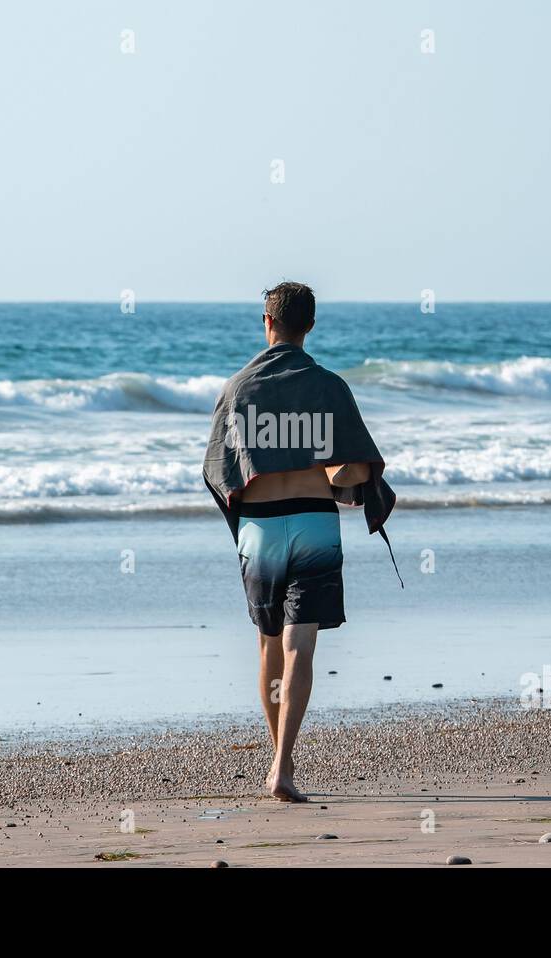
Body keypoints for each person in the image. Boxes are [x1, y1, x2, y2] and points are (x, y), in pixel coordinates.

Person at [203, 282, 398, 802]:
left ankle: (279, 760)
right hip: (314, 521)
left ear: (266, 322)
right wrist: (330, 471)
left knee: (268, 643)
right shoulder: (330, 386)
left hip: (261, 529)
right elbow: (356, 470)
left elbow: (221, 473)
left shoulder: (239, 388)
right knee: (300, 645)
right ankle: (282, 766)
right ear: (309, 326)